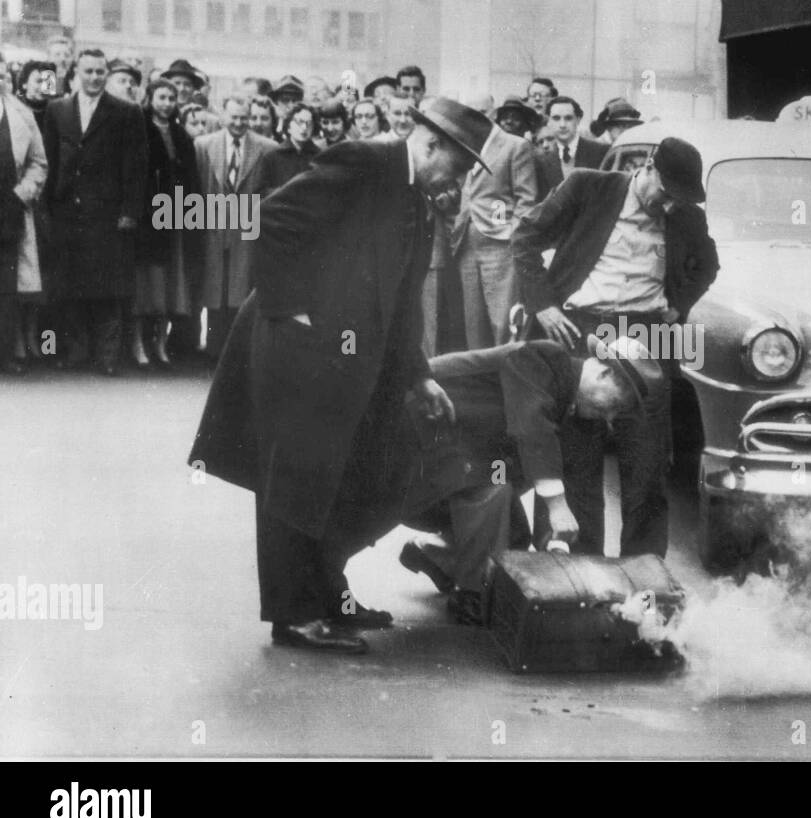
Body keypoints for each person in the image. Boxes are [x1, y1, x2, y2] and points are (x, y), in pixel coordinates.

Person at [189, 97, 490, 654]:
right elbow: (274, 217)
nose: (462, 177)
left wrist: (418, 376)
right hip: (296, 348)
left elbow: (402, 304)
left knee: (336, 478)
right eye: (462, 163)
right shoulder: (366, 162)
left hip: (349, 361)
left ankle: (329, 601)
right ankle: (294, 615)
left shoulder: (419, 200)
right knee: (293, 479)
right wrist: (293, 310)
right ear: (430, 146)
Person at [512, 137, 719, 558]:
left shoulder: (685, 217)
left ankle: (645, 579)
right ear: (646, 167)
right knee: (575, 460)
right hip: (578, 328)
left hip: (645, 335)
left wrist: (677, 308)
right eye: (663, 194)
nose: (666, 206)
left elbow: (708, 265)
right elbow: (525, 238)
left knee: (646, 466)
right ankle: (575, 577)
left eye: (676, 201)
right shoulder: (589, 187)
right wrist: (544, 306)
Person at [399, 335, 664, 624]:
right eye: (614, 404)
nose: (611, 417)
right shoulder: (541, 358)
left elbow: (582, 499)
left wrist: (585, 582)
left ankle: (437, 556)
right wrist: (557, 507)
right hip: (413, 437)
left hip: (464, 462)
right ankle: (472, 594)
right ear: (603, 372)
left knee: (514, 540)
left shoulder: (580, 410)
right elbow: (532, 428)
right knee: (493, 491)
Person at [42, 49, 149, 375]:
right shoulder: (57, 109)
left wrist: (129, 211)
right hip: (67, 212)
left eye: (100, 72)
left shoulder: (126, 112)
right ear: (75, 73)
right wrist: (48, 206)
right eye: (88, 71)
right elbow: (50, 160)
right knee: (70, 286)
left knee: (107, 289)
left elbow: (136, 167)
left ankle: (107, 359)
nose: (94, 78)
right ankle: (75, 353)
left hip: (107, 214)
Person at [452, 97, 540, 349]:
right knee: (473, 324)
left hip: (500, 247)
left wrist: (513, 235)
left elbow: (527, 198)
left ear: (494, 113)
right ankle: (479, 383)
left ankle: (508, 381)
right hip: (465, 243)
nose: (476, 118)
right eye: (471, 113)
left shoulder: (515, 146)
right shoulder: (461, 143)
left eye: (482, 112)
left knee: (503, 323)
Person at [193, 95, 276, 358]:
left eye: (244, 117)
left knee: (241, 291)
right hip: (214, 228)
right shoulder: (203, 145)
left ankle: (237, 352)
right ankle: (214, 351)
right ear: (222, 115)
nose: (239, 123)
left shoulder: (267, 148)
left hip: (246, 230)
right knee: (215, 289)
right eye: (234, 117)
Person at [132, 78, 199, 370]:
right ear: (150, 98)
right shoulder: (139, 129)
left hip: (173, 217)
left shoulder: (181, 135)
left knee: (167, 285)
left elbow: (191, 177)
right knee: (144, 284)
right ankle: (137, 343)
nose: (167, 103)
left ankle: (159, 344)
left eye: (171, 98)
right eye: (161, 97)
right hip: (147, 217)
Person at [0, 88, 49, 375]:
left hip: (9, 210)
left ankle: (4, 355)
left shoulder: (21, 114)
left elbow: (38, 162)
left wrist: (22, 193)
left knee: (5, 288)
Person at [537, 96, 608, 196]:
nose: (562, 125)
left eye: (568, 118)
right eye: (556, 118)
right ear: (549, 121)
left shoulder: (600, 151)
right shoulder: (542, 159)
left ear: (578, 120)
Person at [258, 102, 321, 193]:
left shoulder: (319, 157)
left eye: (309, 123)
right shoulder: (272, 156)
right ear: (288, 126)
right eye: (299, 122)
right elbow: (260, 192)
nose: (304, 128)